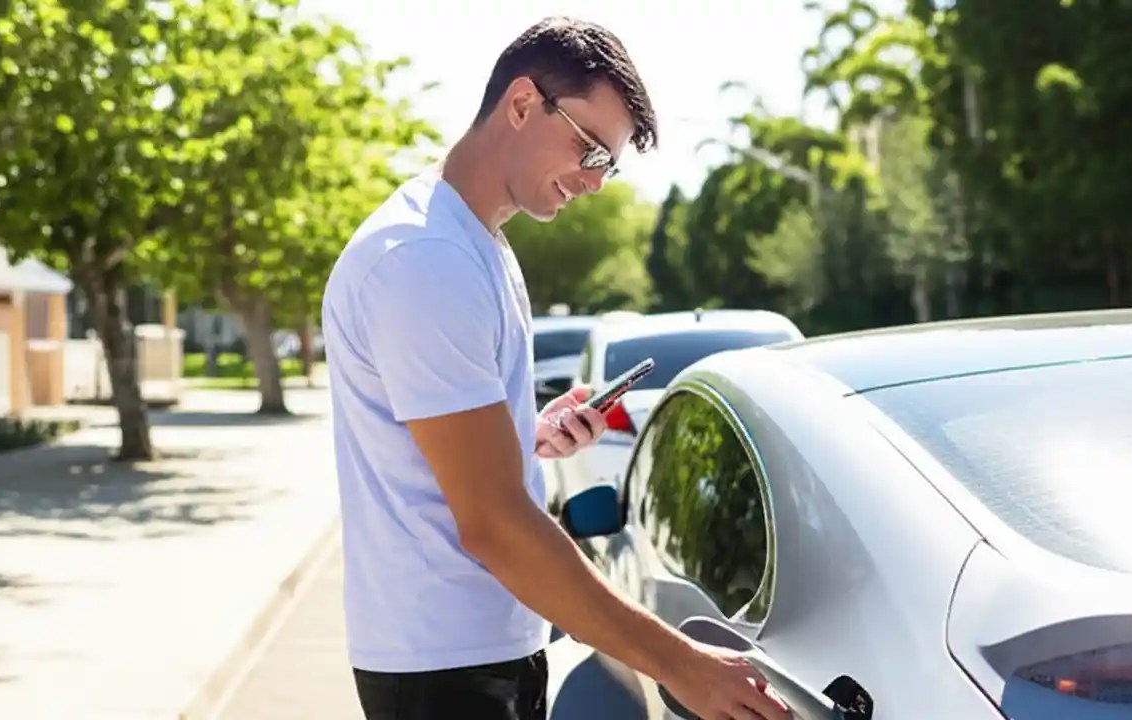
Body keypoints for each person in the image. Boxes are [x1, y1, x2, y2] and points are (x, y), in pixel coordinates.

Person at [321, 16, 791, 720]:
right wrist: (680, 665)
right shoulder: (424, 259)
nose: (596, 183)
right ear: (519, 104)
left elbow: (447, 459)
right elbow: (494, 523)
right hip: (444, 668)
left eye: (609, 163)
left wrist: (524, 434)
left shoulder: (475, 244)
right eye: (591, 149)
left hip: (479, 650)